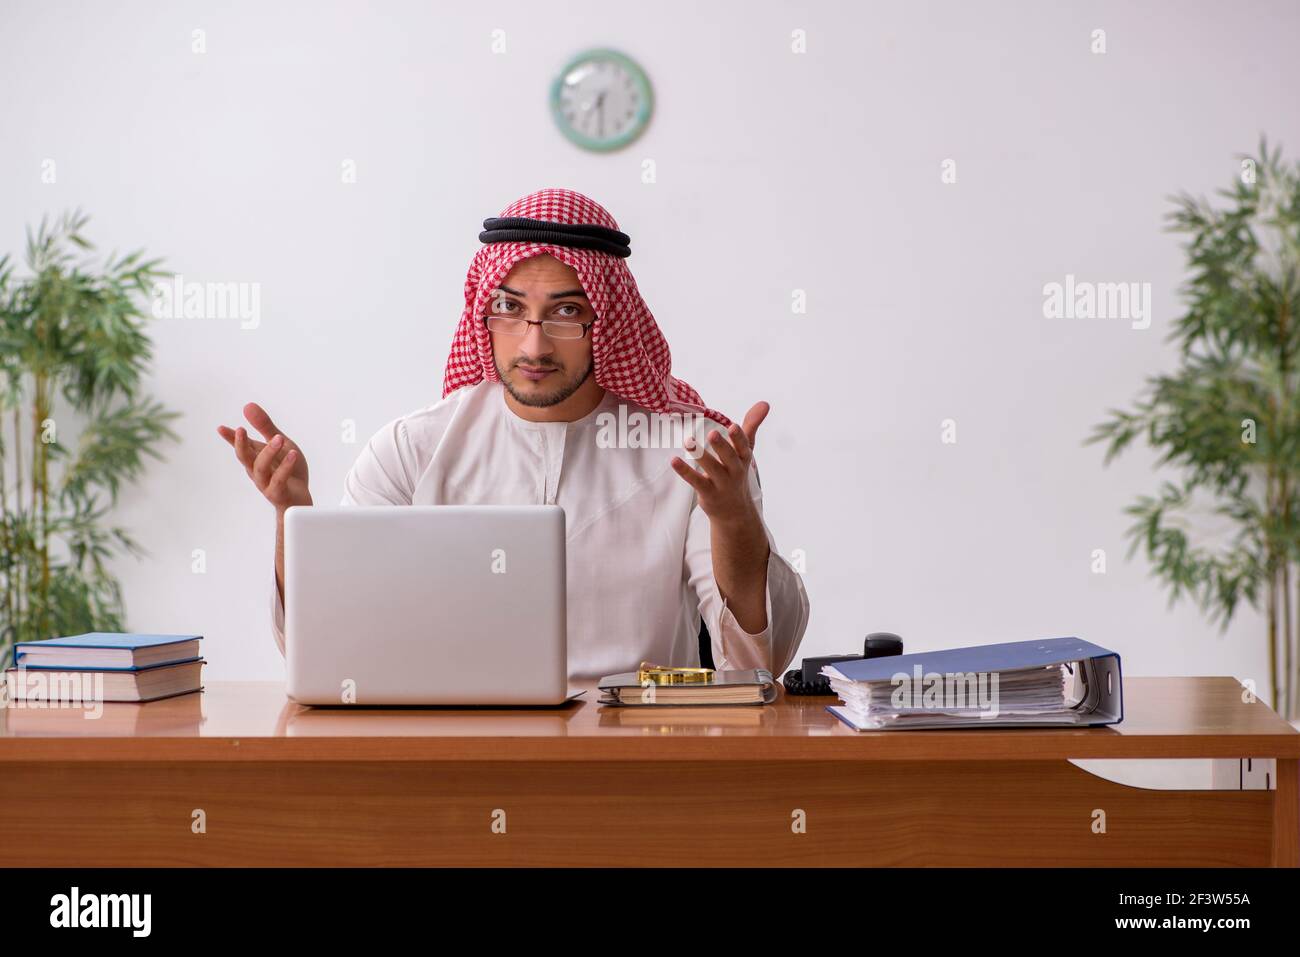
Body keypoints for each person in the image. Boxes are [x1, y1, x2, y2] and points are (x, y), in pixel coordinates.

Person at [218, 188, 809, 681]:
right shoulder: (410, 451)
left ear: (606, 319)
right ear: (484, 310)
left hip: (631, 756)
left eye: (567, 312)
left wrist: (733, 519)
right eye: (510, 308)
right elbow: (326, 653)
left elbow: (756, 663)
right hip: (453, 758)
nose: (533, 344)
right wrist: (292, 516)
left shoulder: (693, 453)